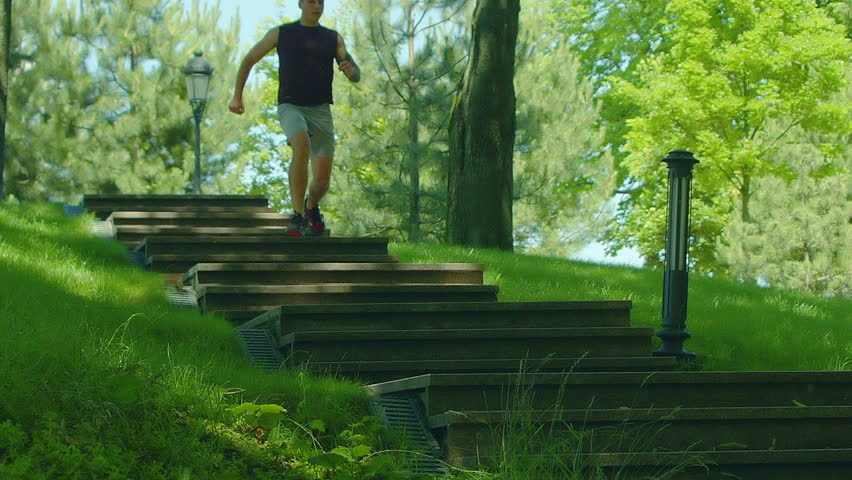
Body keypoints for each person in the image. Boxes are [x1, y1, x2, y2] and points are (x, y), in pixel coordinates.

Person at [228, 0, 361, 236]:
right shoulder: (282, 33)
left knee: (321, 182)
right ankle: (298, 216)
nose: (316, 6)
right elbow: (249, 59)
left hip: (321, 110)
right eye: (311, 1)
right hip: (291, 106)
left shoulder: (333, 38)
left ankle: (311, 207)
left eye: (321, 2)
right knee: (301, 146)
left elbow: (354, 72)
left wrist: (352, 72)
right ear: (300, 4)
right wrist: (237, 97)